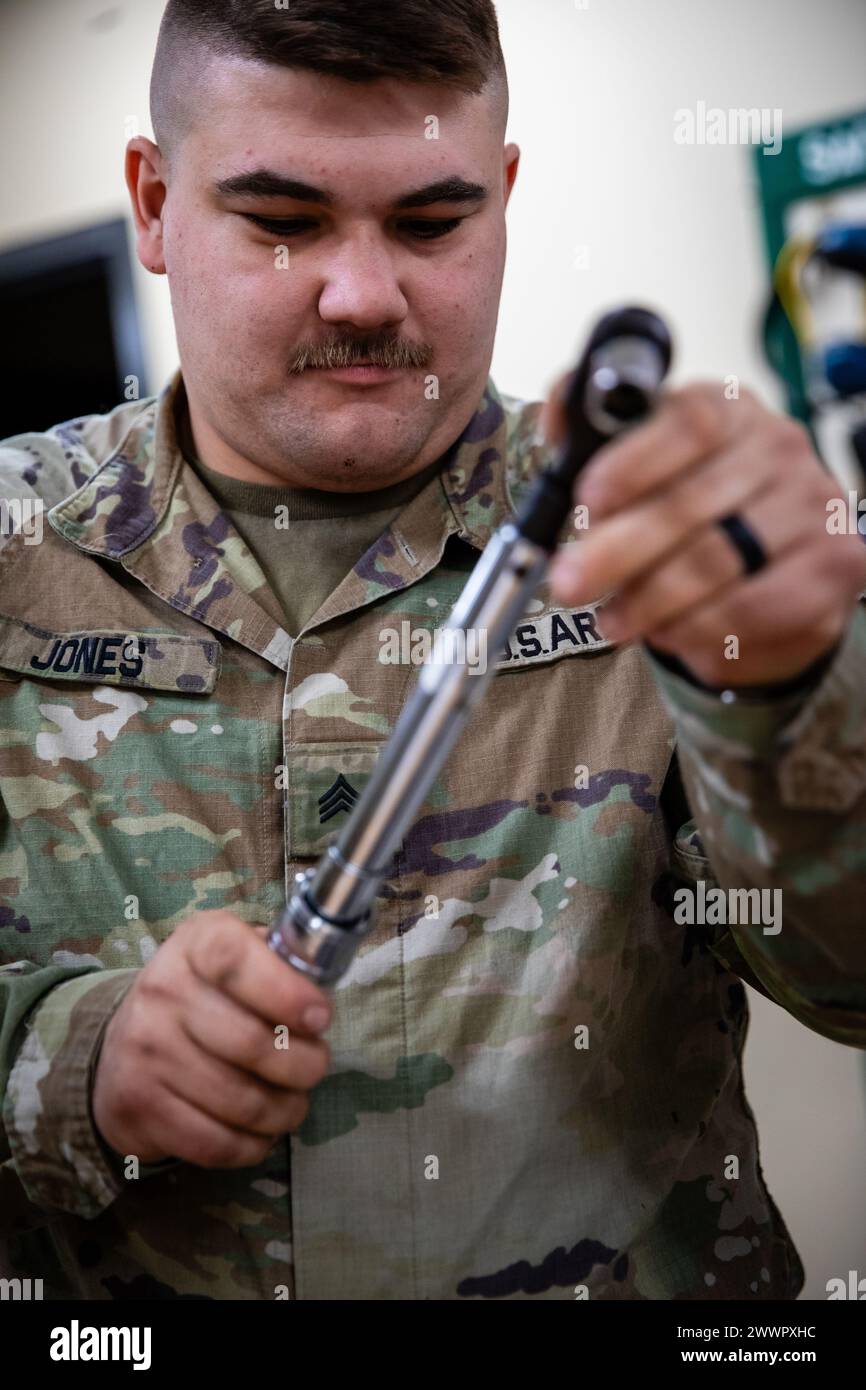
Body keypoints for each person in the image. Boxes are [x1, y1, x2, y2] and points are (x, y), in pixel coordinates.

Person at [1, 0, 864, 1302]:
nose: (363, 293)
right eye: (282, 222)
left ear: (503, 193)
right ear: (153, 200)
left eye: (429, 222)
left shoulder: (655, 538)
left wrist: (791, 693)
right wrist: (71, 1062)